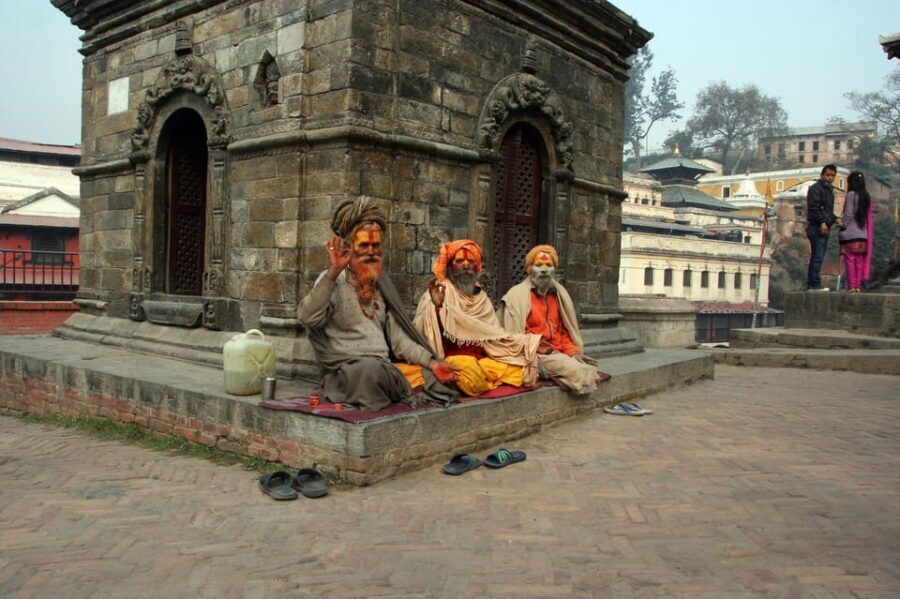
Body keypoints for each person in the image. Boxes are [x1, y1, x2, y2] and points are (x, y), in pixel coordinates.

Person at [297, 199, 458, 411]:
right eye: (364, 245)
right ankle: (397, 392)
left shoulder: (381, 285)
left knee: (441, 379)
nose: (371, 252)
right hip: (348, 371)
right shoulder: (332, 280)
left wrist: (432, 363)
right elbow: (307, 317)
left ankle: (399, 390)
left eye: (376, 246)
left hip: (385, 369)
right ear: (349, 248)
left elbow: (400, 342)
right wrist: (333, 271)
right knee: (371, 373)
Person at [413, 239, 541, 397]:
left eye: (471, 261)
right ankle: (485, 381)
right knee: (470, 370)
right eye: (459, 261)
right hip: (453, 358)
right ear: (450, 265)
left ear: (477, 266)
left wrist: (525, 343)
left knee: (520, 370)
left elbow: (494, 334)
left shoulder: (482, 297)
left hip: (483, 358)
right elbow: (426, 332)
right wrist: (438, 307)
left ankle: (484, 380)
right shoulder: (439, 292)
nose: (466, 265)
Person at [497, 245, 607, 395]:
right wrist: (547, 350)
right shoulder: (516, 296)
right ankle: (551, 374)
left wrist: (574, 353)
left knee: (588, 369)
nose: (544, 270)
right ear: (530, 269)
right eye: (538, 265)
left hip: (558, 353)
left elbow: (563, 332)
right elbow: (514, 337)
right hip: (535, 355)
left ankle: (560, 373)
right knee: (582, 373)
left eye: (548, 265)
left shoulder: (559, 295)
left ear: (554, 269)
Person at [839, 171, 873, 293]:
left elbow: (848, 214)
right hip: (863, 236)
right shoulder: (866, 196)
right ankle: (858, 286)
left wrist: (843, 225)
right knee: (859, 261)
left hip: (850, 235)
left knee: (850, 259)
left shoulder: (851, 195)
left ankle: (852, 285)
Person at [806, 164, 839, 290]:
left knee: (818, 256)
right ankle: (814, 284)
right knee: (817, 256)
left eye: (832, 176)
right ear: (822, 175)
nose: (830, 178)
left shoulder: (829, 190)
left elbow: (827, 211)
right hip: (816, 226)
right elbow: (815, 209)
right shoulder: (816, 188)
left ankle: (813, 283)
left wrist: (835, 220)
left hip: (824, 226)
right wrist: (823, 222)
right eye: (828, 175)